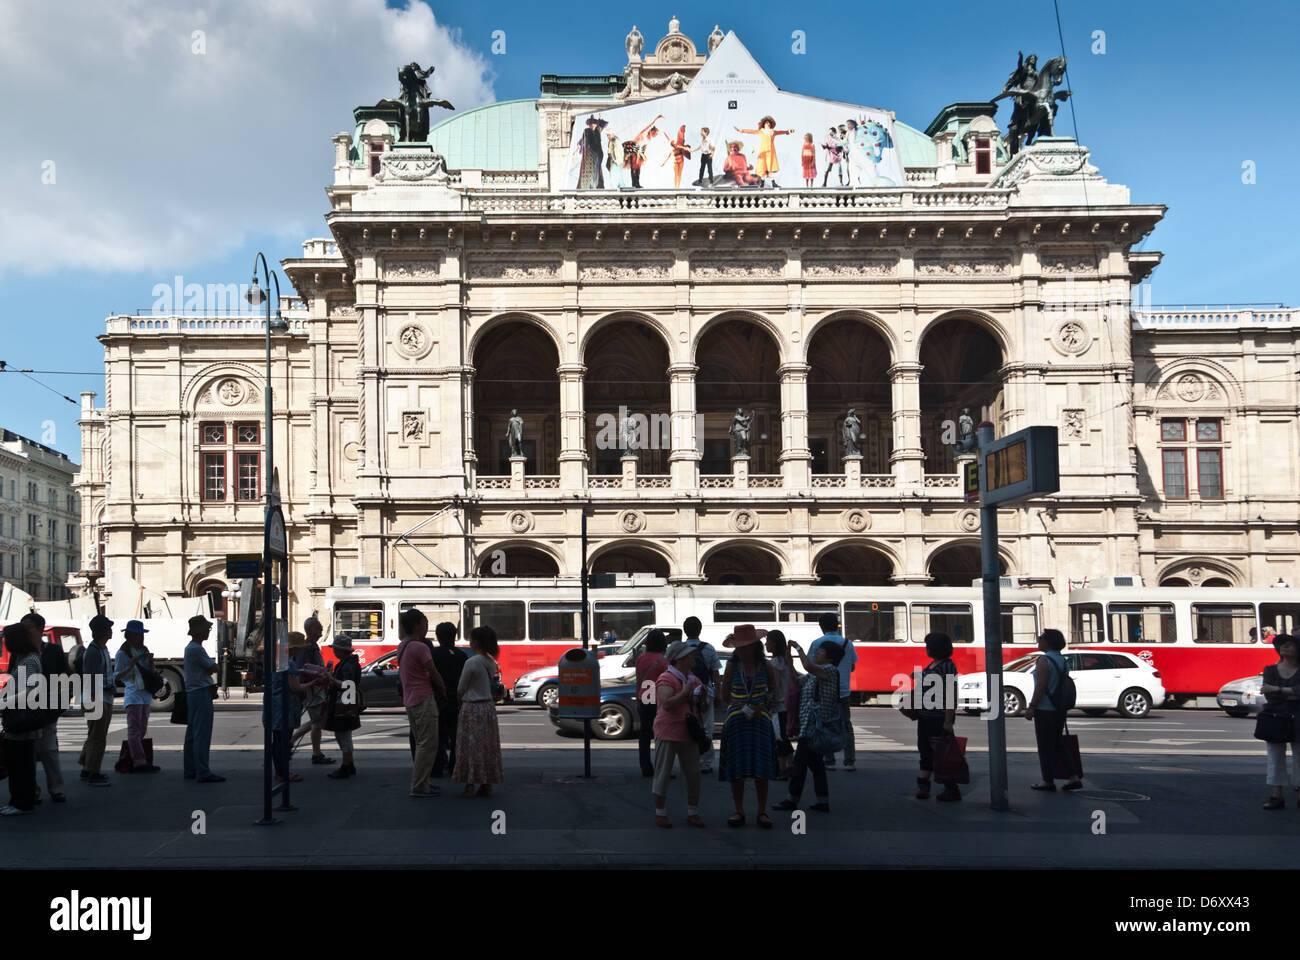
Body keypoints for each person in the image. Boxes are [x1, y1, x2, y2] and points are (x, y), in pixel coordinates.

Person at [717, 624, 778, 827]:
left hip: (761, 720)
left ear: (755, 647)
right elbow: (725, 696)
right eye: (739, 647)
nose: (741, 650)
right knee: (737, 769)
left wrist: (763, 705)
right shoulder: (732, 666)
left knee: (762, 769)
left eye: (745, 647)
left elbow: (774, 692)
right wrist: (739, 705)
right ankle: (739, 810)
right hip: (736, 722)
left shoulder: (766, 666)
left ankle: (762, 811)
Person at [774, 638, 843, 814]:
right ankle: (822, 800)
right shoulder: (816, 673)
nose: (817, 654)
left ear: (830, 658)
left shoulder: (830, 670)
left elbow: (807, 667)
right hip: (810, 725)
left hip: (815, 727)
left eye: (820, 652)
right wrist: (789, 661)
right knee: (816, 765)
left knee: (799, 764)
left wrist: (798, 648)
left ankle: (792, 799)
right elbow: (797, 680)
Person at [652, 641, 706, 828]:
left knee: (693, 774)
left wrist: (702, 697)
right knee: (663, 774)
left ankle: (693, 812)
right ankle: (660, 813)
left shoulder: (692, 678)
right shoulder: (666, 678)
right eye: (690, 655)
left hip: (688, 732)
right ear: (679, 659)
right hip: (668, 731)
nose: (693, 658)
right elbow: (667, 703)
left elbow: (703, 705)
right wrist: (685, 692)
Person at [1024, 628, 1082, 791]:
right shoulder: (1061, 660)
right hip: (1059, 707)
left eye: (1041, 637)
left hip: (1045, 708)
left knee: (1045, 746)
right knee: (1057, 743)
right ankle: (1073, 776)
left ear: (1048, 642)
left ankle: (1047, 781)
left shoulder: (1044, 660)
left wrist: (1032, 707)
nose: (1038, 640)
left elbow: (1041, 685)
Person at [398, 608, 448, 798]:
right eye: (426, 622)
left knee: (421, 743)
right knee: (428, 744)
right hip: (424, 698)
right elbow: (433, 673)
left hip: (410, 699)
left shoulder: (402, 645)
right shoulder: (420, 647)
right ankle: (419, 786)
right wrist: (443, 689)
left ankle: (423, 782)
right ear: (418, 624)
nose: (428, 627)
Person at [453, 626, 504, 797]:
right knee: (486, 747)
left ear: (477, 642)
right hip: (488, 707)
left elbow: (461, 688)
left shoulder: (471, 662)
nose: (470, 642)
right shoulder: (491, 661)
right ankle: (486, 783)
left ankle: (469, 785)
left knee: (470, 747)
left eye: (471, 639)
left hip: (472, 708)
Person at [1, 622, 43, 815]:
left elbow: (29, 691)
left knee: (20, 765)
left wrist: (4, 702)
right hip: (22, 718)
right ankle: (19, 800)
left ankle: (21, 802)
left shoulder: (28, 662)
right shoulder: (25, 659)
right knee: (20, 763)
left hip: (21, 719)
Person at [913, 632, 961, 802]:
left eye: (928, 645)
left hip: (938, 717)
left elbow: (950, 694)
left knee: (942, 754)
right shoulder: (933, 664)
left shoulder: (947, 666)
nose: (926, 648)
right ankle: (924, 786)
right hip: (925, 716)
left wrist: (948, 721)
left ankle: (951, 788)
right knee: (925, 750)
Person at [26, 613, 67, 803]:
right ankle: (32, 790)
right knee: (28, 753)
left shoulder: (54, 651)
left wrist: (61, 703)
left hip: (49, 707)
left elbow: (65, 676)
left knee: (49, 750)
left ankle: (56, 789)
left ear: (40, 630)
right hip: (26, 708)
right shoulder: (21, 652)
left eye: (28, 627)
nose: (25, 631)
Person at [810, 612, 857, 770]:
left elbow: (811, 666)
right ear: (837, 624)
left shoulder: (817, 643)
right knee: (846, 724)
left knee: (825, 723)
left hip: (823, 692)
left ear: (821, 626)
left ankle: (829, 760)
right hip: (843, 691)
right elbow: (852, 666)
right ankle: (849, 761)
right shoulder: (847, 643)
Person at [113, 620, 160, 773]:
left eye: (141, 634)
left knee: (142, 728)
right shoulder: (122, 653)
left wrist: (151, 662)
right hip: (133, 693)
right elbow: (117, 676)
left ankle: (133, 756)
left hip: (145, 693)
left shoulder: (143, 650)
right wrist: (131, 665)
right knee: (134, 729)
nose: (141, 637)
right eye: (138, 634)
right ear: (130, 635)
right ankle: (139, 761)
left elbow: (150, 672)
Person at [1260, 633, 1300, 809]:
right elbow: (1267, 694)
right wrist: (1290, 691)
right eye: (1283, 644)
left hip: (1297, 717)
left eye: (1291, 645)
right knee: (1275, 757)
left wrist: (1277, 689)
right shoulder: (1270, 669)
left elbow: (1272, 690)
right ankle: (1277, 796)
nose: (1286, 647)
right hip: (1275, 717)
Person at [182, 616, 223, 783]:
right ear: (200, 632)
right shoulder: (197, 649)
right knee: (202, 734)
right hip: (200, 693)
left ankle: (191, 768)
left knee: (192, 733)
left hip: (194, 693)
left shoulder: (191, 648)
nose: (208, 631)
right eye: (207, 629)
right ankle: (203, 771)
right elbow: (215, 667)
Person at [263, 632, 308, 784]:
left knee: (277, 741)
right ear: (295, 649)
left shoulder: (276, 661)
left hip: (274, 706)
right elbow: (295, 688)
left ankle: (279, 772)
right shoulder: (290, 664)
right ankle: (283, 773)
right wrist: (312, 684)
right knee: (283, 741)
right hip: (285, 707)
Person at [78, 614, 115, 786]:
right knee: (98, 737)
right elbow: (91, 677)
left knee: (95, 735)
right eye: (108, 628)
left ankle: (87, 767)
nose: (111, 631)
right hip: (97, 698)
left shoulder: (101, 649)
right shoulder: (94, 651)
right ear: (103, 631)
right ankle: (93, 772)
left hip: (103, 696)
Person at [291, 615, 333, 766]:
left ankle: (312, 750)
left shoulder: (312, 646)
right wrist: (321, 674)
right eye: (319, 628)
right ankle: (312, 751)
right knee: (316, 721)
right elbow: (303, 670)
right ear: (310, 630)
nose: (322, 630)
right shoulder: (308, 648)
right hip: (311, 688)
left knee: (317, 720)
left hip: (313, 687)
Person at [683, 616, 721, 773]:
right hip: (705, 693)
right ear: (700, 630)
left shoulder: (679, 648)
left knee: (687, 727)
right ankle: (706, 763)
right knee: (706, 727)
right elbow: (716, 674)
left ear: (685, 630)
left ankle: (690, 761)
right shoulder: (709, 649)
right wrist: (718, 694)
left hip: (685, 693)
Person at [431, 621, 467, 778]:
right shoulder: (462, 656)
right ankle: (454, 765)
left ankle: (438, 766)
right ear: (455, 635)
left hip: (437, 699)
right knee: (456, 735)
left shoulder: (433, 655)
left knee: (437, 736)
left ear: (438, 637)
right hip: (456, 700)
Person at [325, 636, 362, 779]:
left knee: (342, 735)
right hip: (347, 703)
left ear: (341, 650)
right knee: (345, 734)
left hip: (343, 704)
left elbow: (348, 684)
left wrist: (332, 679)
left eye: (335, 648)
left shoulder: (347, 665)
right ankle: (350, 763)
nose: (333, 651)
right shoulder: (349, 663)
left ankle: (346, 765)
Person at [635, 629, 671, 777]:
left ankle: (645, 766)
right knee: (661, 735)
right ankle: (662, 768)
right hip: (658, 700)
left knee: (645, 733)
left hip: (643, 698)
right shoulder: (664, 661)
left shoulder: (640, 658)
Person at [765, 629, 794, 779]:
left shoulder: (775, 663)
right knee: (783, 736)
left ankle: (784, 769)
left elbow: (774, 685)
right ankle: (791, 766)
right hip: (787, 703)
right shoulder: (786, 660)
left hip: (779, 705)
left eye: (768, 641)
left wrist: (769, 702)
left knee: (780, 737)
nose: (765, 644)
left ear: (774, 644)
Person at [733, 116, 792, 187]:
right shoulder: (762, 131)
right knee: (763, 167)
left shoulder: (773, 132)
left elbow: (781, 132)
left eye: (769, 123)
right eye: (767, 123)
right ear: (764, 124)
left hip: (771, 153)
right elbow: (751, 131)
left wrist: (788, 131)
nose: (768, 124)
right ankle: (762, 183)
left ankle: (773, 183)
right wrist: (741, 130)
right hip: (764, 152)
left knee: (770, 168)